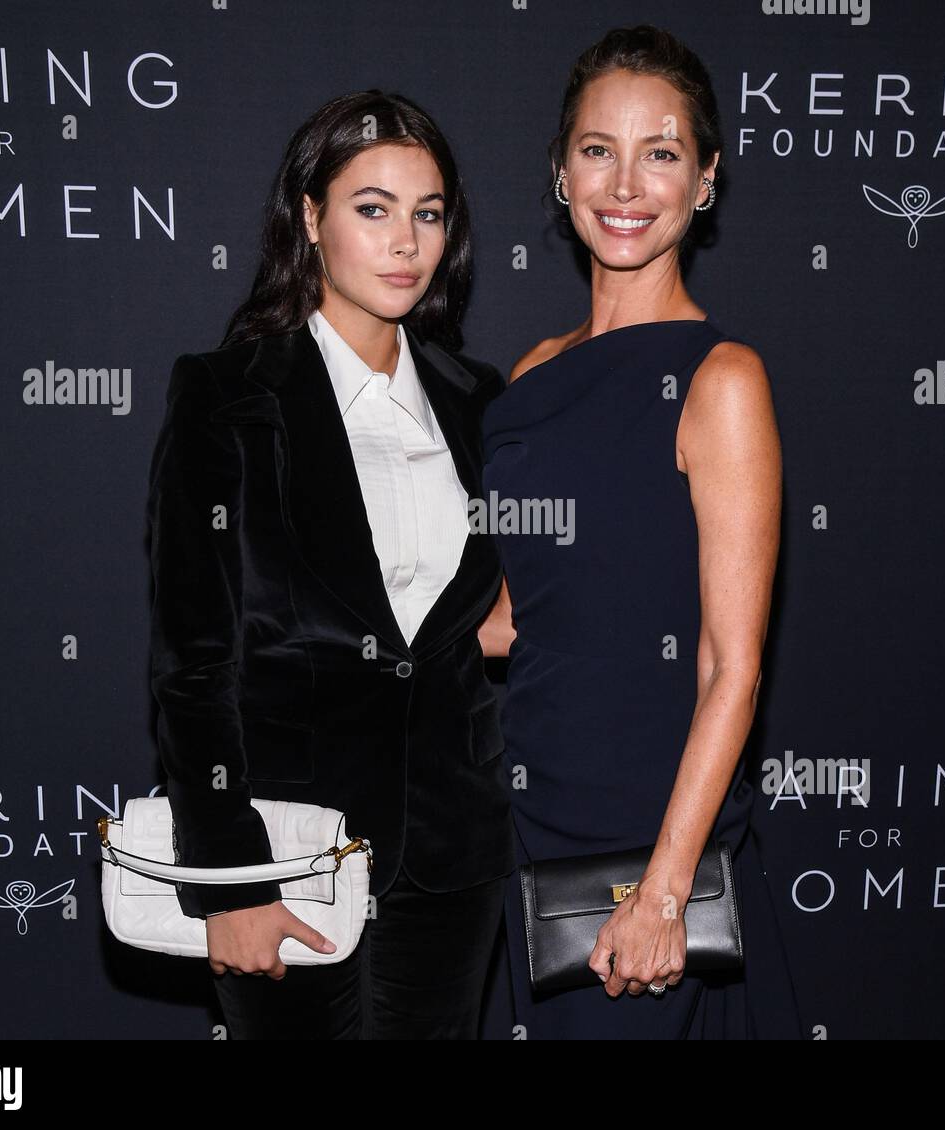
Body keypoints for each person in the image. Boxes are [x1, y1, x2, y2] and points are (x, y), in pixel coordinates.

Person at [146, 90, 513, 1039]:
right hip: (287, 856)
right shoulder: (228, 397)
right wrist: (231, 878)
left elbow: (468, 621)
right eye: (372, 208)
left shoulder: (479, 403)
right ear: (310, 218)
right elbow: (194, 662)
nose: (405, 242)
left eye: (427, 214)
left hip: (448, 856)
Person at [478, 25, 805, 1038]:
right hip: (526, 824)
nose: (625, 183)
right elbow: (500, 622)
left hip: (647, 844)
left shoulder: (723, 380)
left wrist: (663, 890)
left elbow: (732, 666)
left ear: (704, 179)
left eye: (660, 152)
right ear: (560, 171)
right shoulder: (531, 374)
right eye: (596, 149)